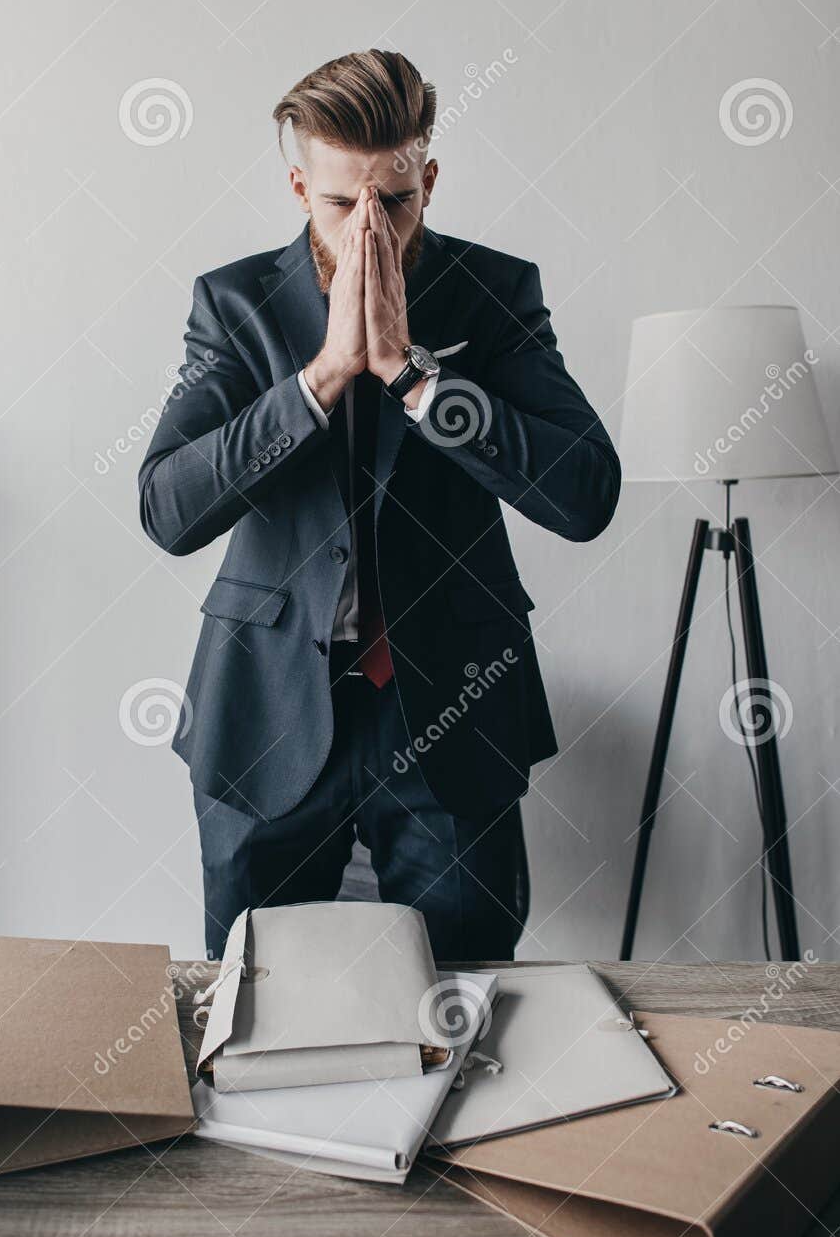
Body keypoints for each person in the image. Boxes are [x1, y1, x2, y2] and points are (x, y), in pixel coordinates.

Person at [139, 49, 620, 961]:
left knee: (468, 1007)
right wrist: (320, 379)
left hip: (451, 711)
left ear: (427, 180)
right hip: (265, 714)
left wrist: (414, 376)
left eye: (394, 201)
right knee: (252, 1012)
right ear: (297, 185)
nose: (371, 227)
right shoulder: (235, 303)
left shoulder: (496, 292)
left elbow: (583, 492)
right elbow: (169, 505)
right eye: (339, 201)